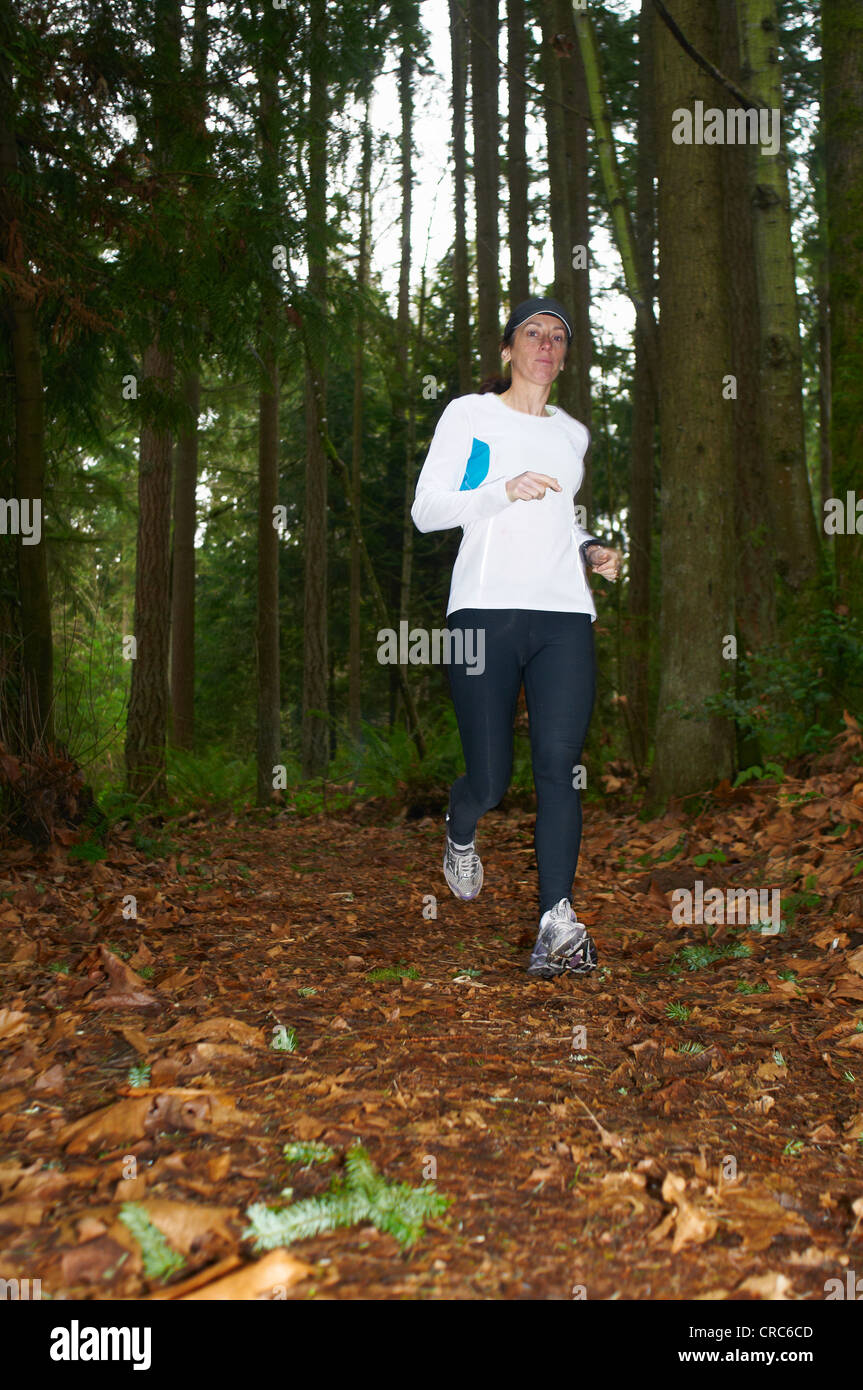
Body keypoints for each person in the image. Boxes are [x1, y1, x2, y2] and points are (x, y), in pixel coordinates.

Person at [411, 297, 622, 979]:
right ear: (508, 350)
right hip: (483, 611)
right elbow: (427, 511)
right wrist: (502, 488)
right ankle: (460, 824)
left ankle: (556, 922)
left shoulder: (572, 434)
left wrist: (589, 545)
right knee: (493, 779)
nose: (546, 343)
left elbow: (559, 517)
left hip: (562, 613)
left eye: (558, 336)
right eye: (533, 332)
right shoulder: (470, 417)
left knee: (559, 766)